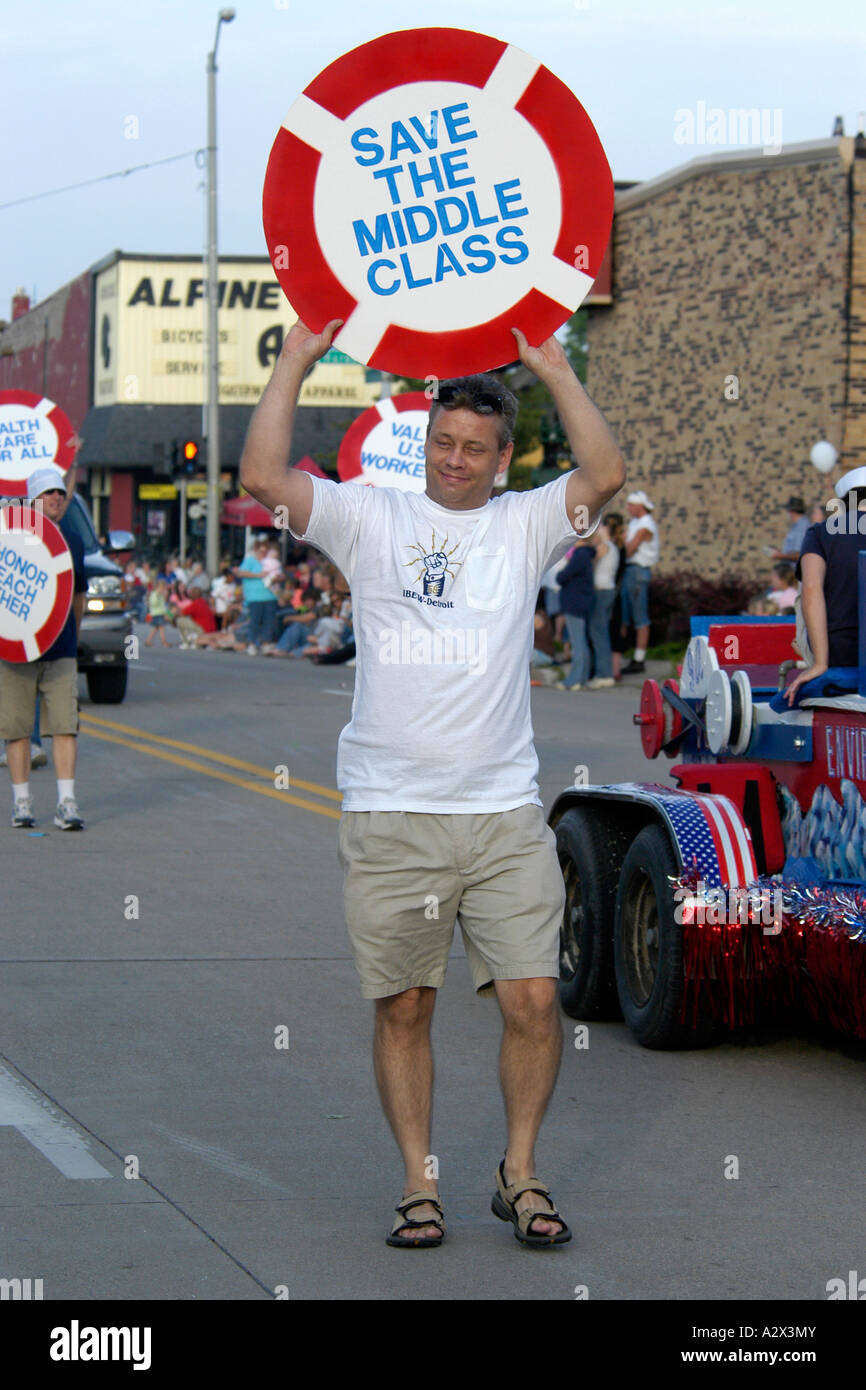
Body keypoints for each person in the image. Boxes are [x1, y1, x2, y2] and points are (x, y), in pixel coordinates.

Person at [239, 317, 625, 1249]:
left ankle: (519, 1173)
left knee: (536, 1002)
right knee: (406, 1004)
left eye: (474, 449)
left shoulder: (526, 524)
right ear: (427, 443)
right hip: (393, 810)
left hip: (501, 814)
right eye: (443, 442)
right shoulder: (371, 516)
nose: (455, 460)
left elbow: (605, 474)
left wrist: (553, 365)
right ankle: (419, 1183)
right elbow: (261, 479)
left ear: (501, 460)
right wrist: (296, 358)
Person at [0, 467, 87, 830]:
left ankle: (67, 803)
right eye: (48, 493)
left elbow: (78, 595)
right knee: (17, 728)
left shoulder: (72, 538)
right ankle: (22, 804)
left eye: (60, 493)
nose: (56, 497)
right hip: (14, 649)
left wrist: (71, 633)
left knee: (65, 726)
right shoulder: (8, 537)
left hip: (60, 647)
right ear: (33, 499)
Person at [786, 467, 866, 704]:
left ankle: (812, 655)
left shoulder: (821, 532)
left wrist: (821, 664)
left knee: (804, 592)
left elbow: (812, 589)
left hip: (840, 654)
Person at [620, 490, 659, 675]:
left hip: (637, 570)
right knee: (629, 614)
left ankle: (639, 657)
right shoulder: (636, 523)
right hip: (632, 571)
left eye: (630, 505)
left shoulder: (645, 525)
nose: (628, 508)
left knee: (639, 616)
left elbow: (630, 548)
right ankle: (631, 655)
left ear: (639, 506)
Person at [554, 539, 595, 691]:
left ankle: (574, 679)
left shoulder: (580, 555)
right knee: (581, 642)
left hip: (574, 604)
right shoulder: (586, 555)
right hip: (581, 603)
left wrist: (561, 573)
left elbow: (562, 576)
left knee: (577, 643)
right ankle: (582, 678)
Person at [586, 518, 619, 687]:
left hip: (601, 591)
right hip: (607, 590)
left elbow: (592, 562)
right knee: (601, 632)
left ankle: (604, 674)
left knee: (599, 633)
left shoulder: (605, 546)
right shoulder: (613, 547)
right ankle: (604, 672)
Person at [235, 539, 279, 654]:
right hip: (255, 597)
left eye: (265, 552)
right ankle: (251, 643)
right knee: (254, 620)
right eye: (261, 552)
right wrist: (258, 575)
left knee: (268, 621)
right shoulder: (250, 561)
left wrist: (275, 578)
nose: (263, 554)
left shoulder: (271, 561)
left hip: (270, 596)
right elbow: (240, 572)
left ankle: (266, 643)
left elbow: (280, 574)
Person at [771, 496, 810, 563]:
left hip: (795, 570)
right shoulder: (797, 526)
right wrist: (780, 553)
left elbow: (800, 554)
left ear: (792, 512)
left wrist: (780, 555)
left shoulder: (802, 527)